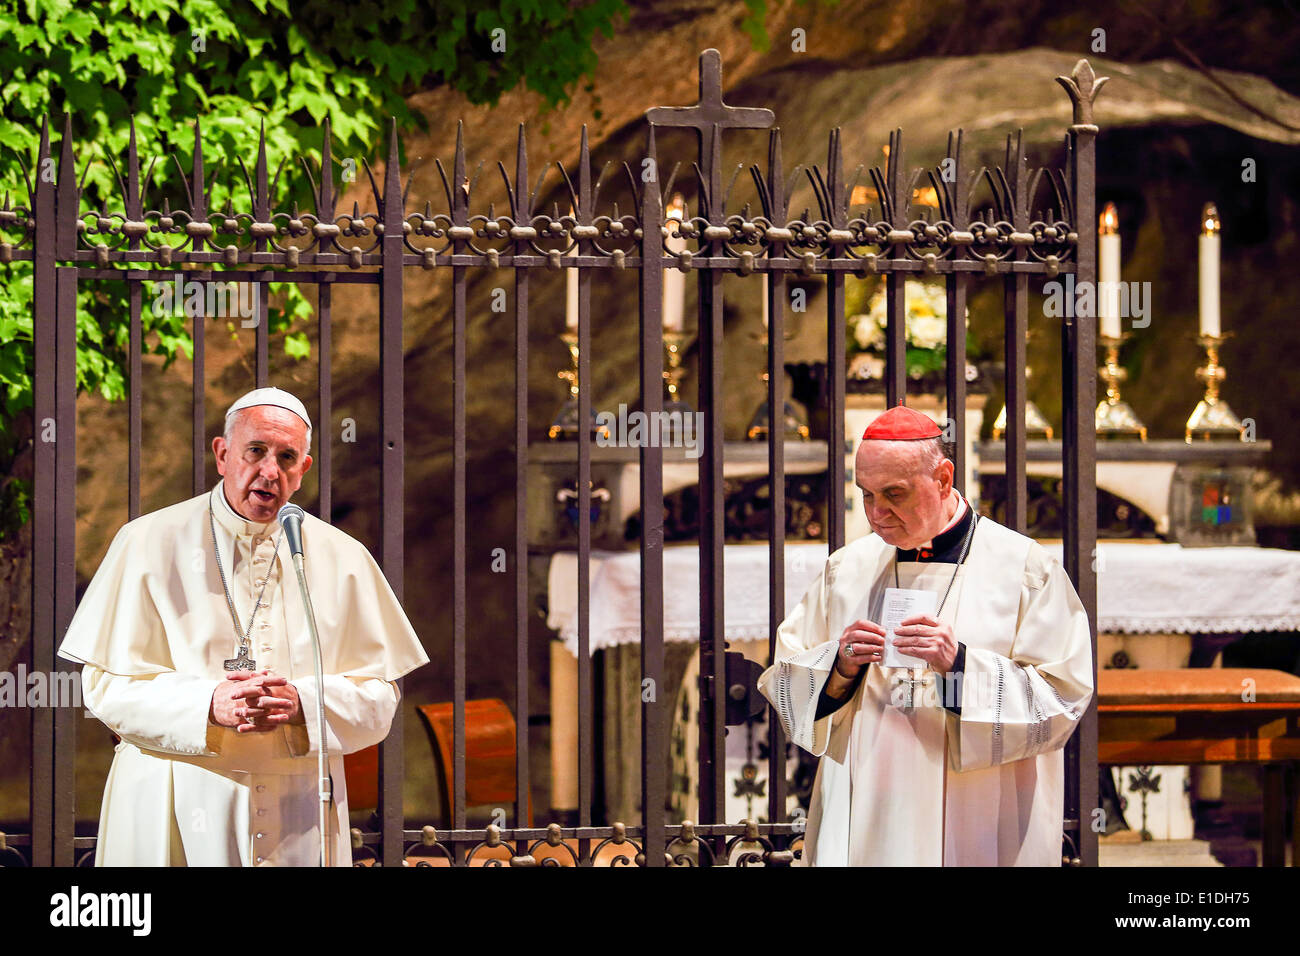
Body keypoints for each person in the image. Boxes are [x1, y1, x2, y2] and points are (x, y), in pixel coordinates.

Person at [58, 387, 429, 866]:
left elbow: (380, 699)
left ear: (304, 470)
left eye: (287, 457)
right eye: (256, 450)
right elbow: (105, 689)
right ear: (222, 453)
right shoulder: (147, 543)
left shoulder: (344, 557)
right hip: (173, 795)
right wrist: (207, 704)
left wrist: (304, 702)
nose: (269, 471)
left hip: (298, 810)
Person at [757, 405, 1094, 866]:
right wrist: (840, 665)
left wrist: (960, 665)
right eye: (867, 495)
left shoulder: (1023, 568)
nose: (877, 513)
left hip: (977, 816)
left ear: (942, 478)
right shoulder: (847, 570)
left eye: (894, 494)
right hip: (869, 810)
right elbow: (786, 681)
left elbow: (1062, 698)